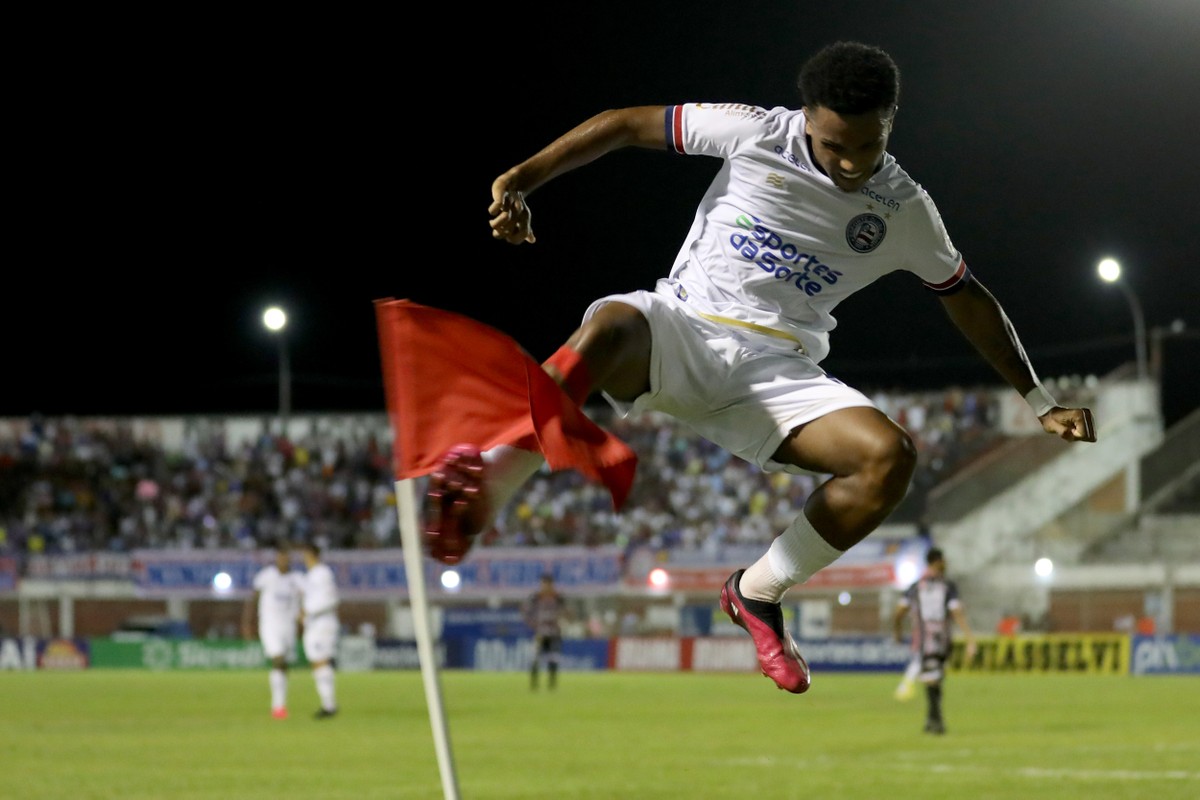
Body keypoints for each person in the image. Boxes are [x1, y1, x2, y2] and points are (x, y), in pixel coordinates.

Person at [423, 40, 1097, 694]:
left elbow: (967, 299)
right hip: (680, 328)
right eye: (836, 146)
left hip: (778, 375)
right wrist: (519, 179)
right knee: (610, 326)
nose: (853, 163)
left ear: (890, 122)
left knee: (889, 457)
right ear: (806, 117)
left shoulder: (905, 209)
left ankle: (756, 592)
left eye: (870, 144)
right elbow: (625, 125)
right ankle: (488, 494)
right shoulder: (755, 132)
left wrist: (1040, 401)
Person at [892, 547, 977, 733]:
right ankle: (936, 721)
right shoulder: (947, 586)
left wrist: (897, 632)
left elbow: (898, 613)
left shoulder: (914, 587)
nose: (945, 563)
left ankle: (932, 719)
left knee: (932, 677)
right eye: (943, 560)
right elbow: (957, 612)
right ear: (937, 561)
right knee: (934, 677)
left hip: (921, 640)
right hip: (940, 640)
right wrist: (970, 638)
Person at [241, 539, 303, 719]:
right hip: (270, 625)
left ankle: (280, 704)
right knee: (278, 659)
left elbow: (304, 601)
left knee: (284, 665)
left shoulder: (297, 579)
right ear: (277, 558)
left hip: (288, 626)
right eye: (281, 557)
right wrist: (247, 623)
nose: (284, 560)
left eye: (286, 557)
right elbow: (252, 600)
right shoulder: (266, 576)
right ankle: (278, 707)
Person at [298, 541, 340, 719]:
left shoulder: (322, 573)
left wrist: (308, 611)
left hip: (322, 623)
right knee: (316, 661)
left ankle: (329, 705)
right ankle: (327, 704)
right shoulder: (312, 574)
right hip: (314, 624)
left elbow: (331, 598)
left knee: (321, 661)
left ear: (311, 554)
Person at [523, 573, 568, 690]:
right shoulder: (535, 597)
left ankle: (552, 684)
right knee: (535, 658)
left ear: (552, 585)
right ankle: (534, 684)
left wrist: (561, 621)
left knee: (553, 658)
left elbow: (566, 611)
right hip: (540, 633)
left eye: (548, 584)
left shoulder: (558, 597)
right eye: (543, 584)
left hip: (554, 633)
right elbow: (526, 611)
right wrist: (532, 623)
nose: (545, 587)